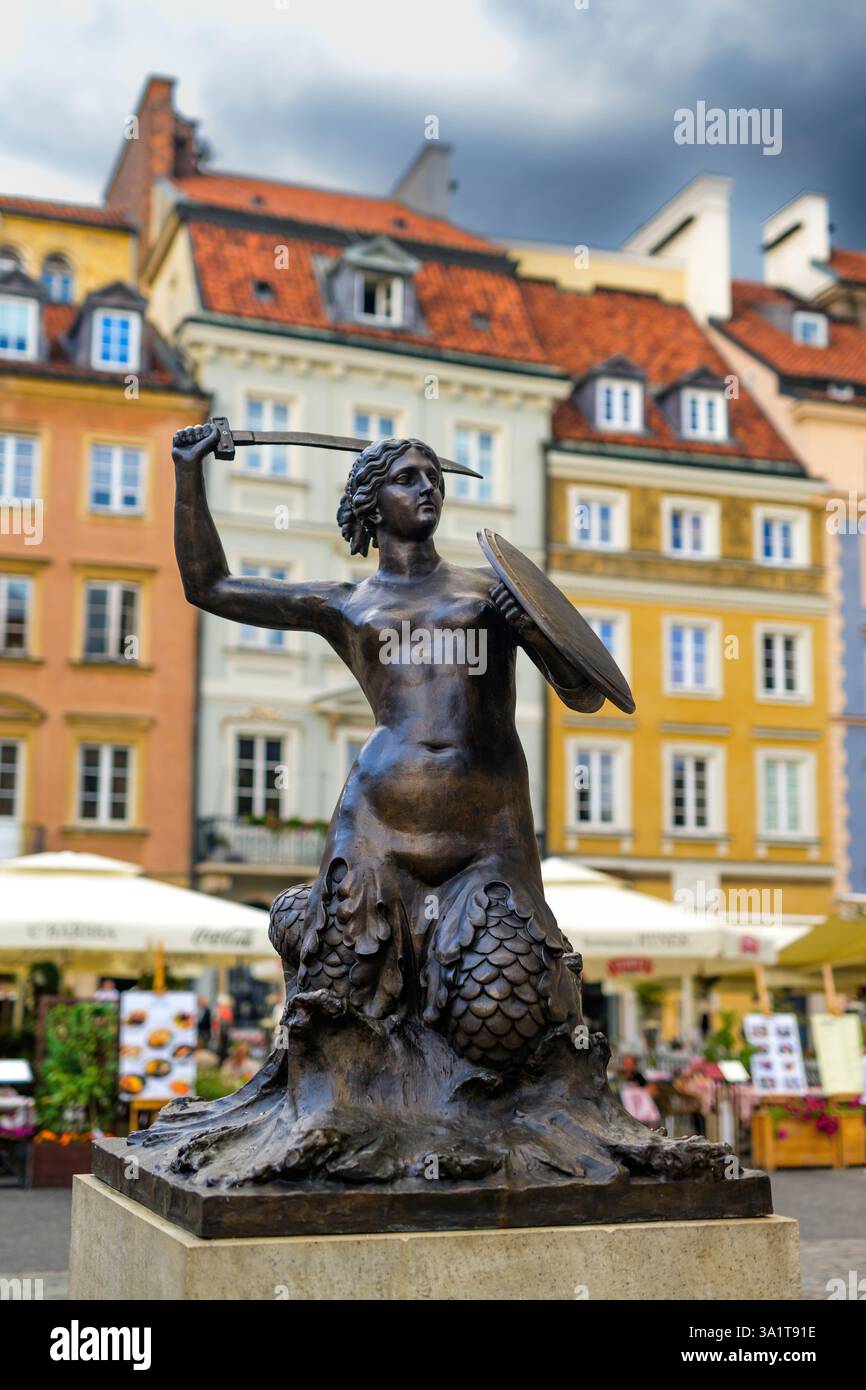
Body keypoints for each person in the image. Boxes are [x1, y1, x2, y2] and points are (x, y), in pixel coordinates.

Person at [171, 423, 598, 1069]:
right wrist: (188, 476)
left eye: (434, 476)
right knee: (342, 1014)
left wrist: (530, 628)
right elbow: (210, 586)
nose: (427, 486)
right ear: (371, 503)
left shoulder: (491, 592)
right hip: (376, 823)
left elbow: (584, 692)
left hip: (487, 834)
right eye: (407, 477)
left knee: (498, 1021)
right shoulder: (345, 603)